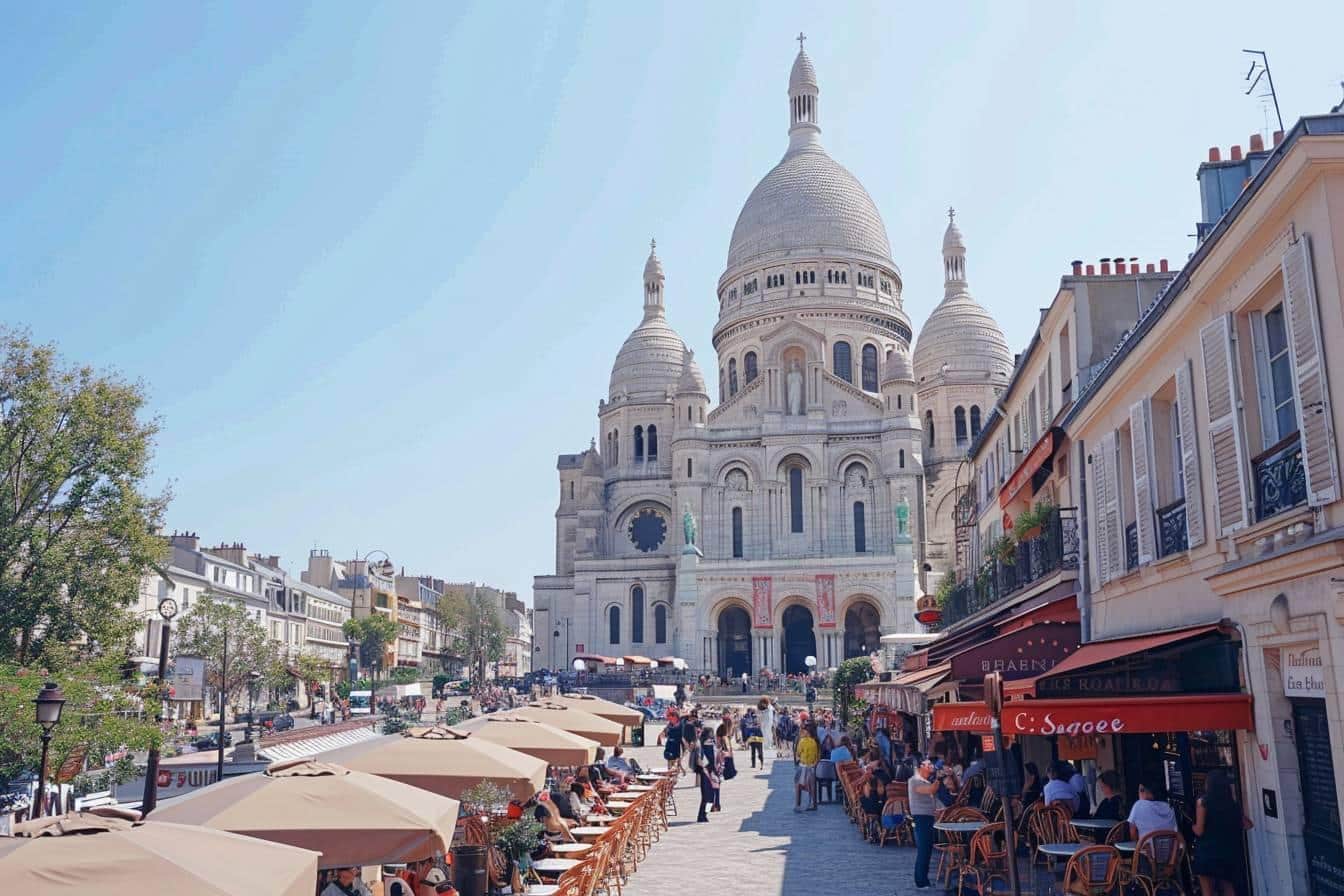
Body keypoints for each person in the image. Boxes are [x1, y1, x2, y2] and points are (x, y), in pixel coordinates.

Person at [1193, 770, 1252, 896]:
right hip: (1227, 852)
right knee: (1228, 887)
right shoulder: (1231, 804)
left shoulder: (1203, 802)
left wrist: (1191, 826)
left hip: (1208, 852)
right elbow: (1248, 825)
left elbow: (1199, 830)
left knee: (1208, 892)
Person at [908, 758, 940, 890]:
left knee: (927, 850)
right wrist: (939, 779)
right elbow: (931, 790)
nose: (929, 769)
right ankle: (920, 881)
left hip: (928, 817)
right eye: (927, 766)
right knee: (923, 850)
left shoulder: (924, 781)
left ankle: (924, 880)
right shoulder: (914, 781)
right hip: (921, 818)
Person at [794, 721, 820, 812]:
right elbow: (818, 755)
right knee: (812, 786)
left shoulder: (802, 741)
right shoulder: (816, 741)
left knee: (798, 785)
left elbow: (798, 753)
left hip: (803, 765)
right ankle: (813, 804)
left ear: (807, 732)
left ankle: (798, 805)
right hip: (813, 766)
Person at [693, 727, 717, 823]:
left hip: (712, 773)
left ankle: (705, 814)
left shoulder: (712, 744)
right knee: (707, 796)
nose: (712, 736)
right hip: (706, 773)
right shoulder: (701, 745)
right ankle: (702, 815)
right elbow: (699, 760)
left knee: (710, 797)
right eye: (710, 734)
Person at [859, 777, 884, 841]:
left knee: (873, 818)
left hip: (868, 812)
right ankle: (879, 832)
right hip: (878, 812)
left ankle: (871, 834)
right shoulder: (879, 797)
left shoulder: (863, 798)